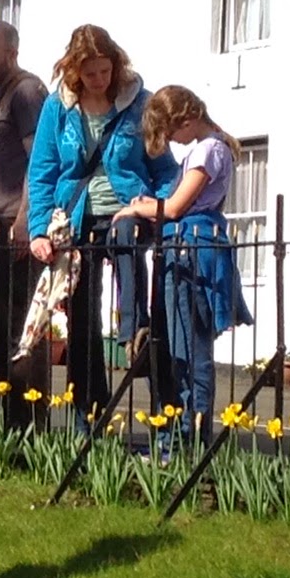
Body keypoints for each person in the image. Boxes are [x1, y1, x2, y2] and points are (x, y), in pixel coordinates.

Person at [26, 25, 178, 426]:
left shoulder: (140, 103)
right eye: (90, 73)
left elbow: (165, 169)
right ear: (75, 71)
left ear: (116, 64)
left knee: (134, 268)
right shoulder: (58, 108)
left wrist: (156, 208)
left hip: (129, 215)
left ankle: (134, 335)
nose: (99, 80)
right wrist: (39, 230)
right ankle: (88, 416)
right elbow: (42, 170)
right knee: (82, 323)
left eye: (105, 71)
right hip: (77, 219)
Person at [114, 85, 253, 447]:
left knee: (191, 352)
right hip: (183, 248)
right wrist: (151, 202)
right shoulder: (205, 149)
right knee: (178, 349)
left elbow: (175, 208)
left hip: (193, 252)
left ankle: (195, 438)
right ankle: (180, 434)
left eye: (172, 132)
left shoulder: (208, 151)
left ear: (188, 119)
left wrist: (136, 208)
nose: (173, 142)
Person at [0, 21, 49, 426]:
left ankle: (28, 422)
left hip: (14, 226)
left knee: (22, 327)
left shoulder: (27, 91)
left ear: (12, 54)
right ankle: (10, 414)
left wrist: (25, 220)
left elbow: (39, 159)